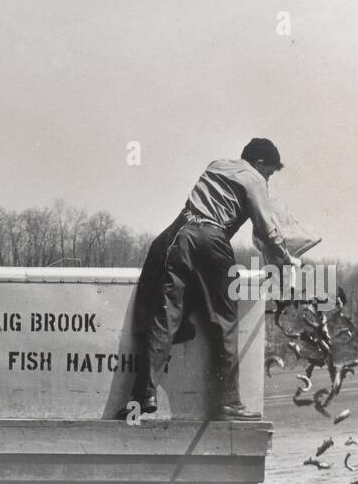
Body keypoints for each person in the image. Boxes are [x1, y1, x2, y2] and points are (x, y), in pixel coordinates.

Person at [127, 138, 300, 421]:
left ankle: (143, 395)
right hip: (210, 238)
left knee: (165, 317)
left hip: (178, 233)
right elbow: (267, 231)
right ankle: (230, 403)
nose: (267, 179)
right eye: (268, 171)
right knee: (224, 322)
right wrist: (284, 259)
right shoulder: (254, 179)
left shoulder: (217, 166)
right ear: (258, 164)